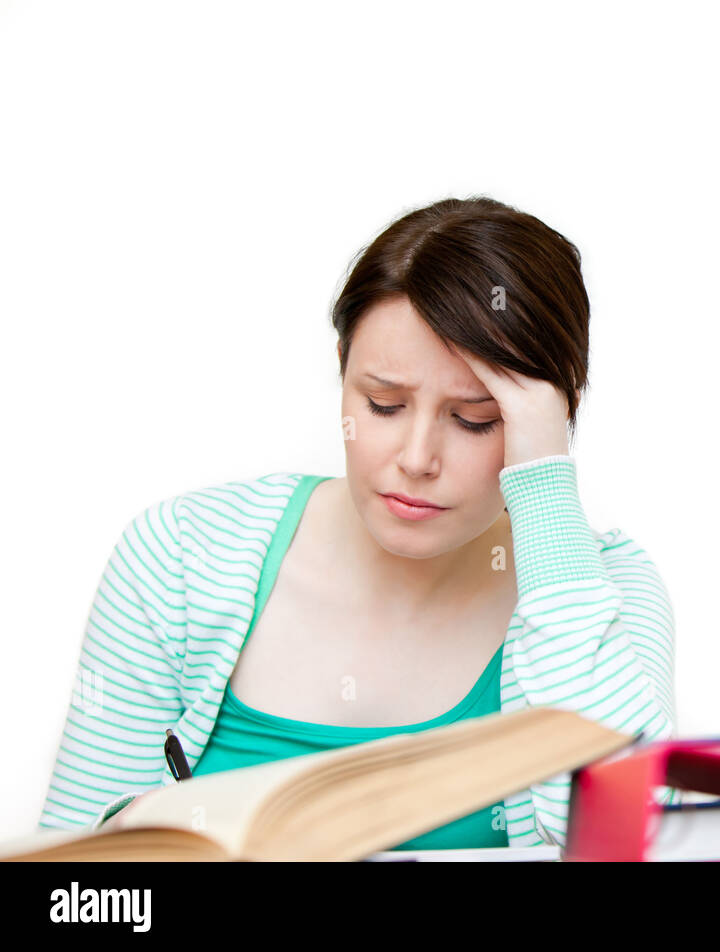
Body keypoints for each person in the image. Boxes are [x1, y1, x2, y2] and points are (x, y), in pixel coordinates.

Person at [36, 195, 679, 850]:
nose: (417, 459)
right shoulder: (182, 556)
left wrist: (544, 479)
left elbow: (633, 845)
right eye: (383, 404)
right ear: (341, 365)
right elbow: (63, 894)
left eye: (475, 419)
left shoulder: (611, 596)